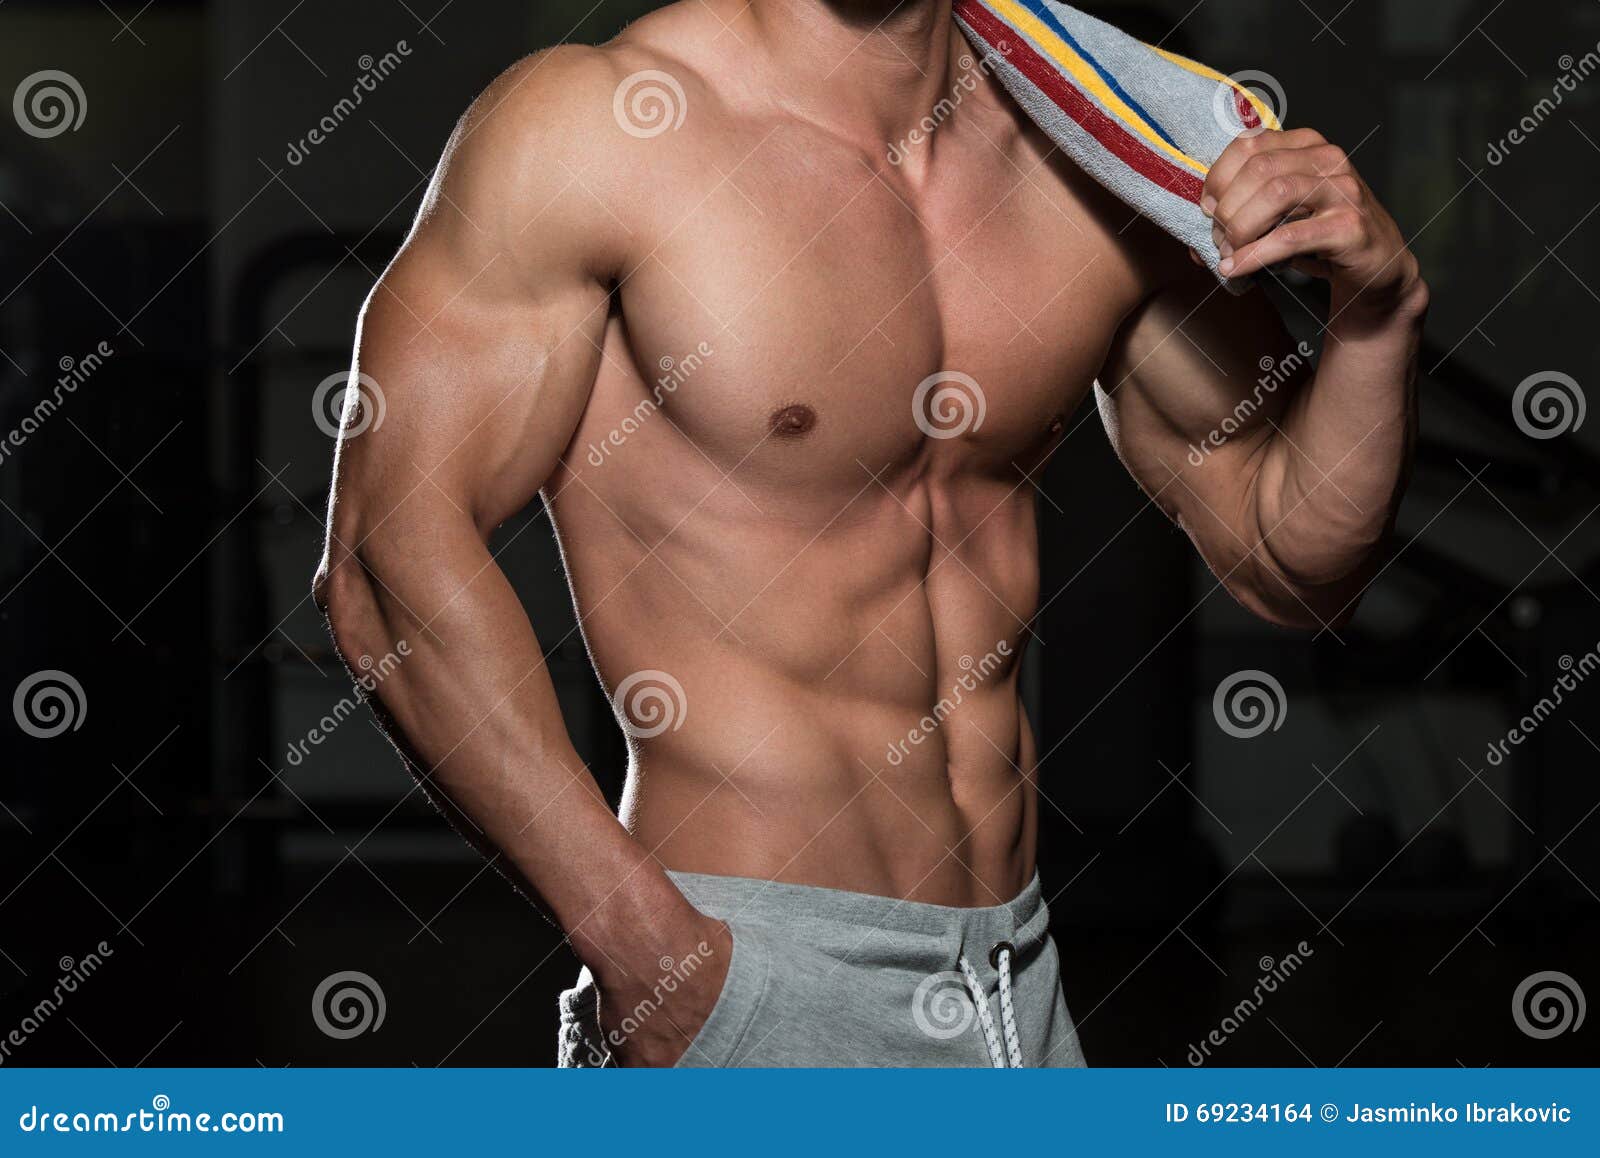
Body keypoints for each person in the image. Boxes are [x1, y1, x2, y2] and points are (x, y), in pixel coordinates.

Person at [313, 0, 1425, 1066]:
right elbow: (382, 558)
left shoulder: (1089, 140)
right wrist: (648, 955)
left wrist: (1379, 315)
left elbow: (1295, 564)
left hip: (1017, 978)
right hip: (742, 973)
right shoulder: (600, 127)